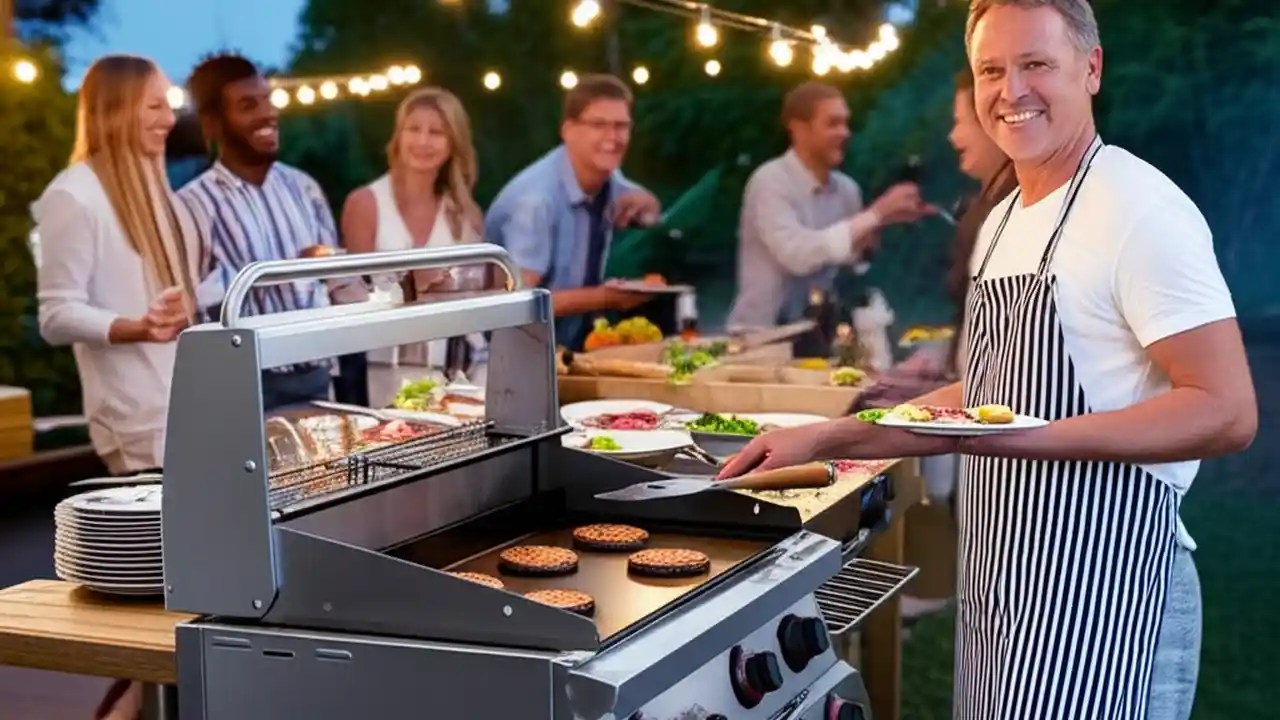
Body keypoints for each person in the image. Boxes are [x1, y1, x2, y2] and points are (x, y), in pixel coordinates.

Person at [720, 2, 1257, 718]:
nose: (1011, 91)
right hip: (1005, 593)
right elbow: (986, 393)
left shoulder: (1139, 207)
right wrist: (832, 438)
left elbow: (1225, 410)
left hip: (1110, 599)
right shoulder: (1004, 217)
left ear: (1091, 68)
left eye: (1036, 64)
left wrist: (1025, 437)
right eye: (991, 70)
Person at [34, 54, 209, 477]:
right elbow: (54, 316)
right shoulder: (72, 196)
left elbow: (186, 297)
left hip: (197, 413)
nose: (169, 119)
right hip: (137, 430)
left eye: (169, 105)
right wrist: (138, 327)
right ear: (114, 110)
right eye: (154, 106)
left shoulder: (167, 194)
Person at [178, 53, 341, 411]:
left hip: (317, 374)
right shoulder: (192, 204)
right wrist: (281, 271)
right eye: (248, 105)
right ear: (213, 124)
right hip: (242, 386)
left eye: (268, 100)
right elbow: (189, 304)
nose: (268, 114)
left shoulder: (303, 187)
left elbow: (337, 278)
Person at [853, 69, 1017, 410]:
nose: (953, 138)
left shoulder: (1011, 214)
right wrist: (940, 358)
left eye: (960, 122)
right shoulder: (986, 206)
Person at [724, 81, 936, 331]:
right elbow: (798, 256)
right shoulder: (770, 181)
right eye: (833, 123)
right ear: (798, 129)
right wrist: (876, 213)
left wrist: (883, 223)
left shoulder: (847, 189)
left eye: (846, 123)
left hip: (819, 335)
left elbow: (850, 263)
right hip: (760, 340)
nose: (845, 133)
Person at [484, 73, 664, 350]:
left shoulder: (606, 175)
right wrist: (608, 297)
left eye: (621, 126)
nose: (612, 137)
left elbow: (646, 203)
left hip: (568, 352)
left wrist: (649, 204)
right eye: (599, 125)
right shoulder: (535, 201)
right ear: (568, 130)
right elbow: (519, 303)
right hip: (509, 360)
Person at [341, 87, 489, 385]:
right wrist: (410, 285)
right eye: (414, 129)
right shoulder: (364, 203)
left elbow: (480, 297)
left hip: (461, 369)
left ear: (453, 143)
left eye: (437, 132)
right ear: (399, 135)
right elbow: (349, 298)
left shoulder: (465, 213)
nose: (423, 141)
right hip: (387, 368)